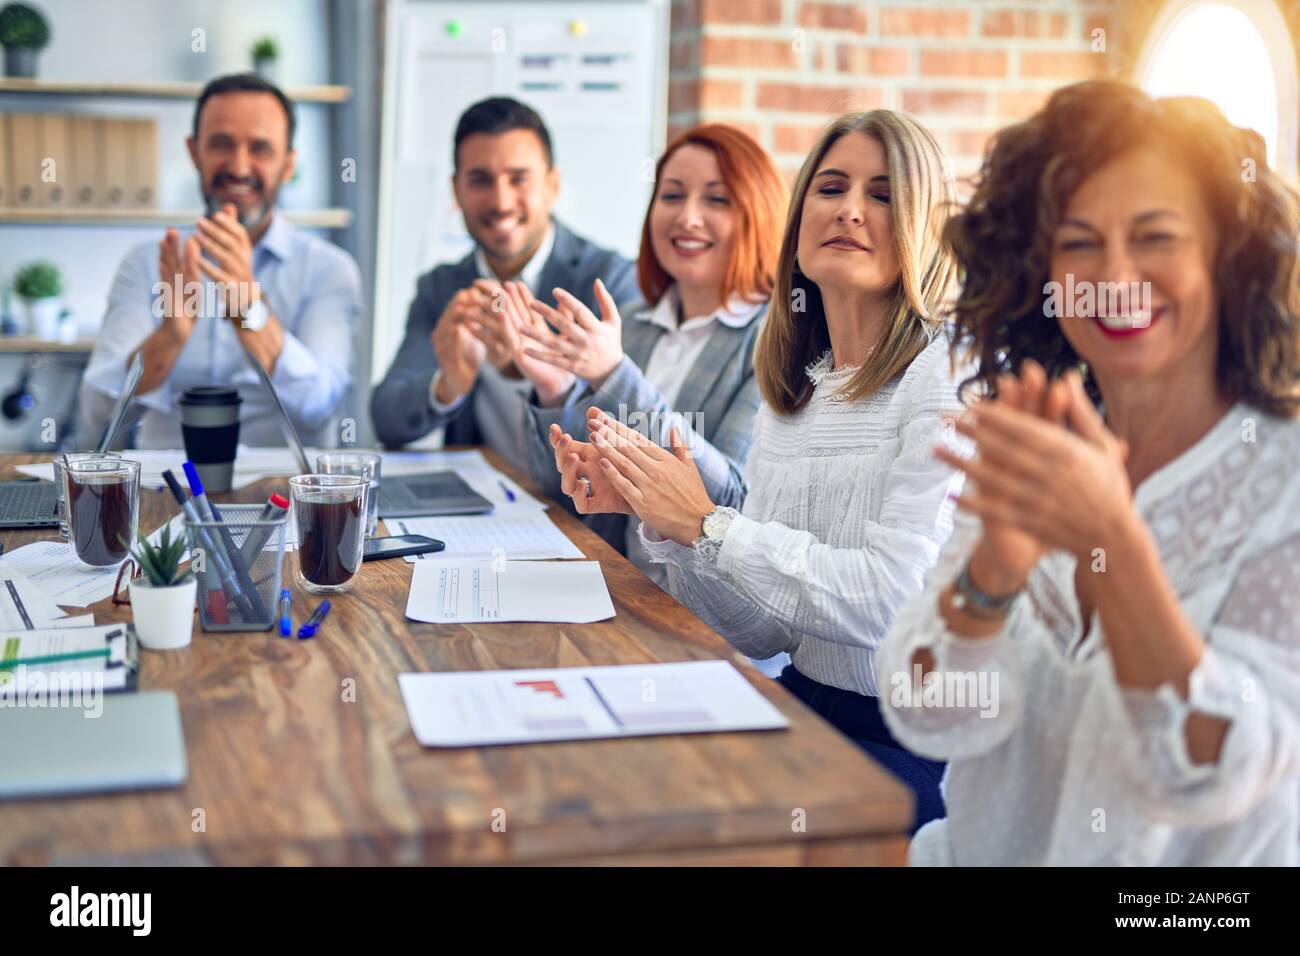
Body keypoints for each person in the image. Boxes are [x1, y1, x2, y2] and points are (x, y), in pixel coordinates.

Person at [877, 81, 1300, 865]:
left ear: (1224, 257)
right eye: (1078, 243)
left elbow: (1210, 773)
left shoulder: (1283, 479)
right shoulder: (1037, 435)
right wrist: (995, 567)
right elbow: (929, 713)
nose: (1112, 274)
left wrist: (1114, 543)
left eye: (1155, 237)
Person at [550, 111, 965, 828]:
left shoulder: (947, 368)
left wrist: (708, 523)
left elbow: (893, 607)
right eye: (830, 187)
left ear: (922, 222)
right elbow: (760, 632)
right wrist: (663, 521)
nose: (848, 209)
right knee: (602, 774)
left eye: (883, 194)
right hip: (808, 698)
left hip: (922, 741)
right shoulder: (795, 385)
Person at [495, 124, 784, 587]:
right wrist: (557, 389)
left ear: (757, 212)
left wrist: (613, 373)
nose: (687, 217)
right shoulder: (635, 323)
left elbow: (727, 503)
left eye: (716, 199)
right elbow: (575, 499)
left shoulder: (775, 337)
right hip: (624, 591)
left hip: (706, 617)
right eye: (672, 196)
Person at [80, 72, 361, 449]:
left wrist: (249, 309)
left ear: (288, 164)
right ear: (194, 152)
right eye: (221, 144)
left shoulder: (329, 269)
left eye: (260, 148)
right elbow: (99, 413)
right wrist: (169, 336)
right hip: (170, 486)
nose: (239, 168)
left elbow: (320, 406)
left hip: (285, 490)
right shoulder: (149, 262)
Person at [370, 97, 638, 460]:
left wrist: (527, 375)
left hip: (572, 511)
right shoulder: (442, 288)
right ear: (456, 190)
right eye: (480, 180)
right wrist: (447, 386)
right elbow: (386, 417)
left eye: (519, 179)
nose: (501, 201)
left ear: (553, 186)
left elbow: (630, 434)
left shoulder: (607, 282)